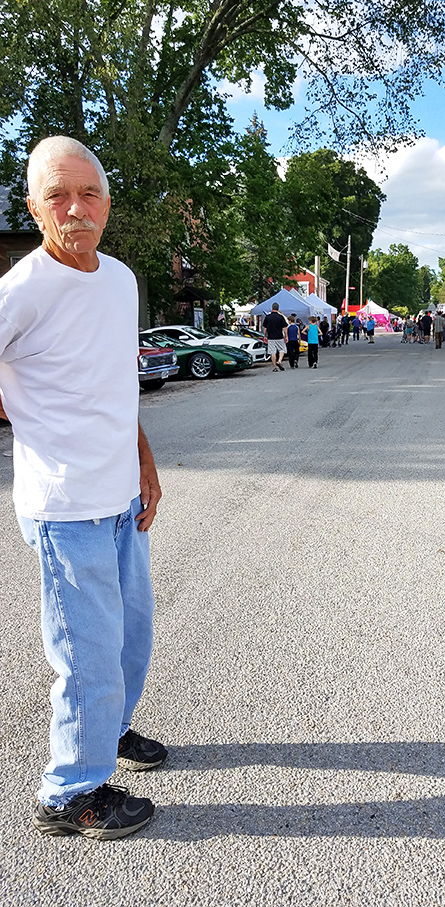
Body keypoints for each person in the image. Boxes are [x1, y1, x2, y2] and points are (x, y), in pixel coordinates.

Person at [0, 136, 165, 840]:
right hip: (66, 510)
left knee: (131, 639)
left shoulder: (120, 278)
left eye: (88, 193)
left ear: (107, 203)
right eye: (57, 195)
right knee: (87, 656)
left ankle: (110, 733)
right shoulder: (22, 289)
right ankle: (70, 791)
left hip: (120, 497)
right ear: (34, 207)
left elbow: (114, 383)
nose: (75, 209)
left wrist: (146, 463)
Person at [262, 301, 288, 371]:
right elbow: (285, 328)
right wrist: (286, 336)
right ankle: (279, 361)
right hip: (279, 336)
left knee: (272, 352)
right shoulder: (280, 317)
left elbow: (265, 328)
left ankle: (274, 367)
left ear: (272, 308)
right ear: (278, 309)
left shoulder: (267, 317)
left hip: (270, 337)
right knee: (282, 350)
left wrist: (265, 336)